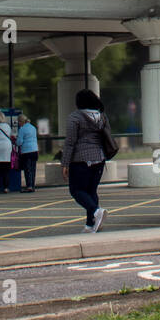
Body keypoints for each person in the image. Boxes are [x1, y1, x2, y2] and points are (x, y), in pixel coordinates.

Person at [61, 89, 116, 232]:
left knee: (76, 190)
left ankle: (95, 211)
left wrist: (65, 163)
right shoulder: (101, 116)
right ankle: (90, 224)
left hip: (81, 159)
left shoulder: (75, 117)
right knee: (91, 190)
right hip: (99, 158)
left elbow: (70, 142)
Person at [16, 114, 39, 192]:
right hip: (35, 150)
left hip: (26, 151)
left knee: (27, 169)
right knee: (33, 169)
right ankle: (32, 185)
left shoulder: (22, 129)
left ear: (21, 121)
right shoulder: (33, 128)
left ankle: (29, 186)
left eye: (19, 122)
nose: (18, 124)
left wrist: (15, 141)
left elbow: (19, 142)